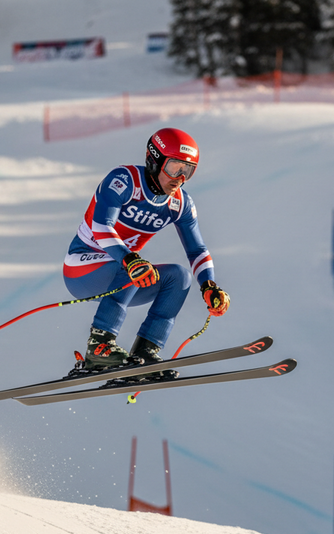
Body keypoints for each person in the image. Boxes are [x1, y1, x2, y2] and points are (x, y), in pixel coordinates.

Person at [63, 127, 230, 373]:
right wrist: (129, 260)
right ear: (154, 161)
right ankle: (99, 346)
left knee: (179, 277)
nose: (180, 178)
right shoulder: (124, 180)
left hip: (124, 277)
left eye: (188, 171)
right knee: (133, 265)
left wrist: (209, 285)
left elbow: (197, 250)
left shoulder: (180, 203)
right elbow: (101, 227)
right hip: (82, 268)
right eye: (174, 168)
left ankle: (146, 352)